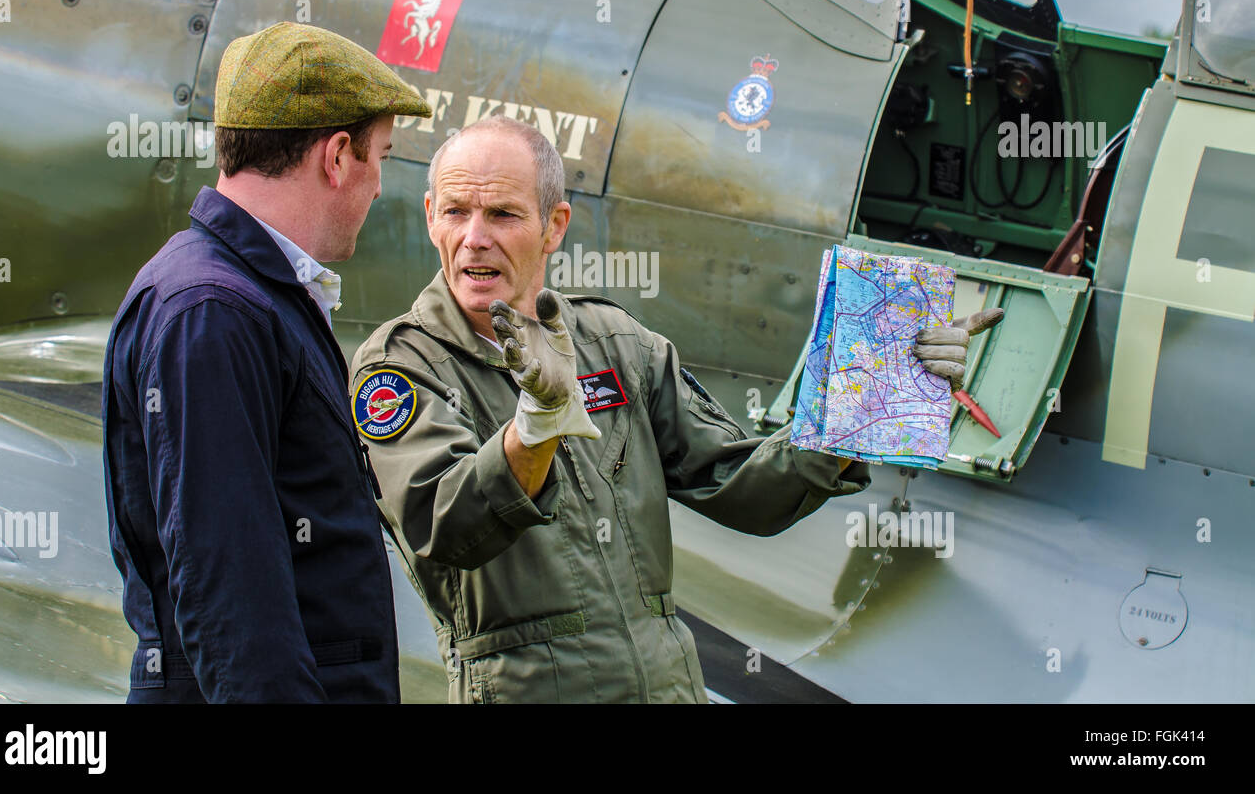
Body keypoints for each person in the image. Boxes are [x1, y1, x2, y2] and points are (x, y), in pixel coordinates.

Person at [350, 116, 1000, 703]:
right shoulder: (401, 369)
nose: (474, 239)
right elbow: (449, 526)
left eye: (503, 214)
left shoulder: (617, 345)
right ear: (431, 214)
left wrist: (877, 395)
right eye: (456, 211)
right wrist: (537, 424)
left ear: (554, 226)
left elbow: (743, 487)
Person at [102, 22, 431, 702]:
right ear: (337, 156)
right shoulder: (215, 312)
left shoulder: (241, 295)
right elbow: (229, 589)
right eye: (382, 156)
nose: (377, 188)